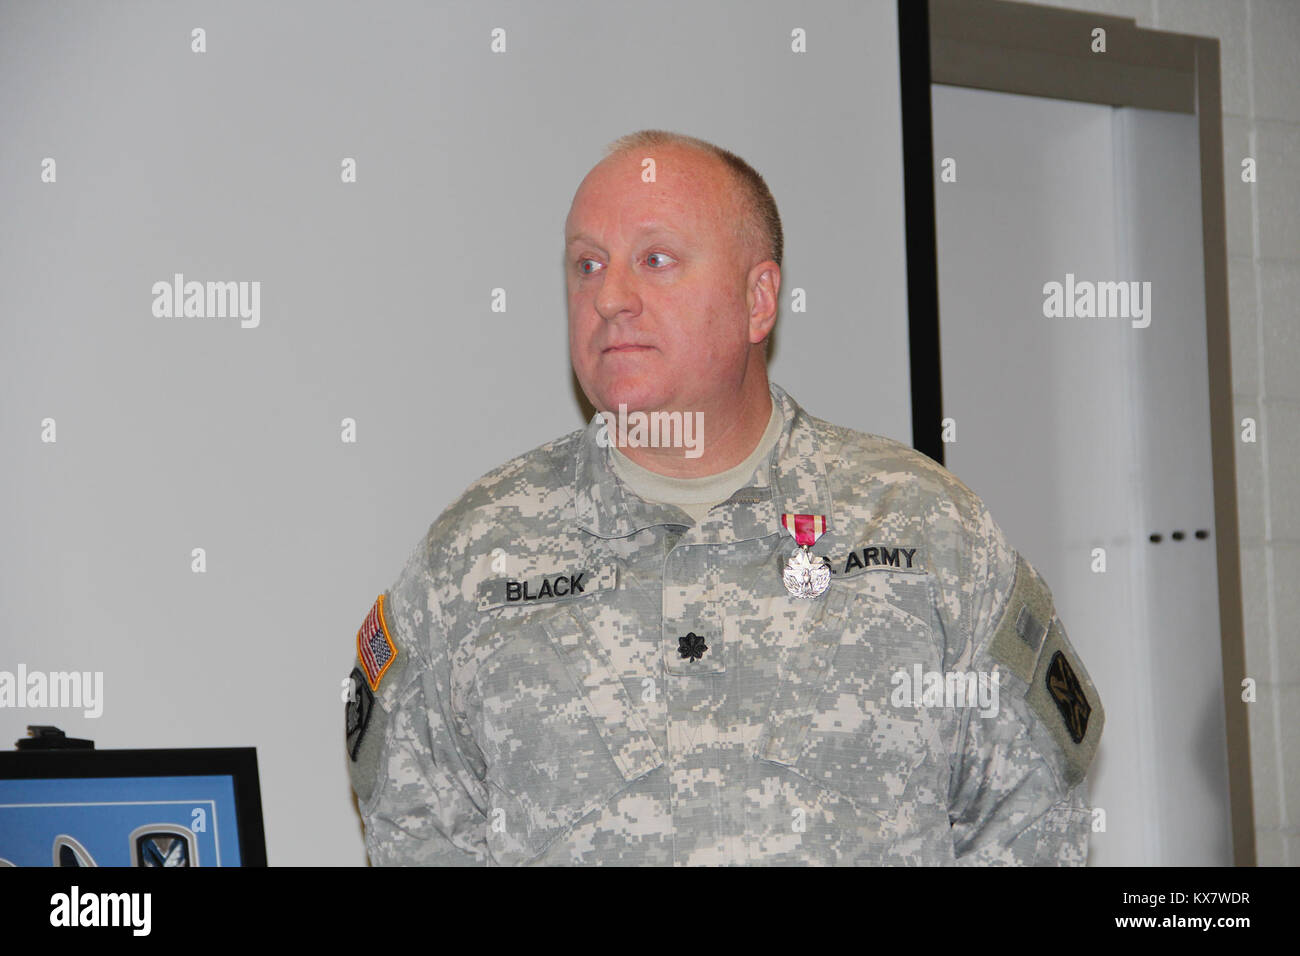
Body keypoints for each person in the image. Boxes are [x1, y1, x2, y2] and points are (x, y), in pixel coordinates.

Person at [343, 130, 1104, 865]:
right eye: (587, 265)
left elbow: (1030, 823)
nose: (610, 297)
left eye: (656, 259)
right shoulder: (475, 556)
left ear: (758, 299)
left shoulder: (927, 529)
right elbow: (414, 830)